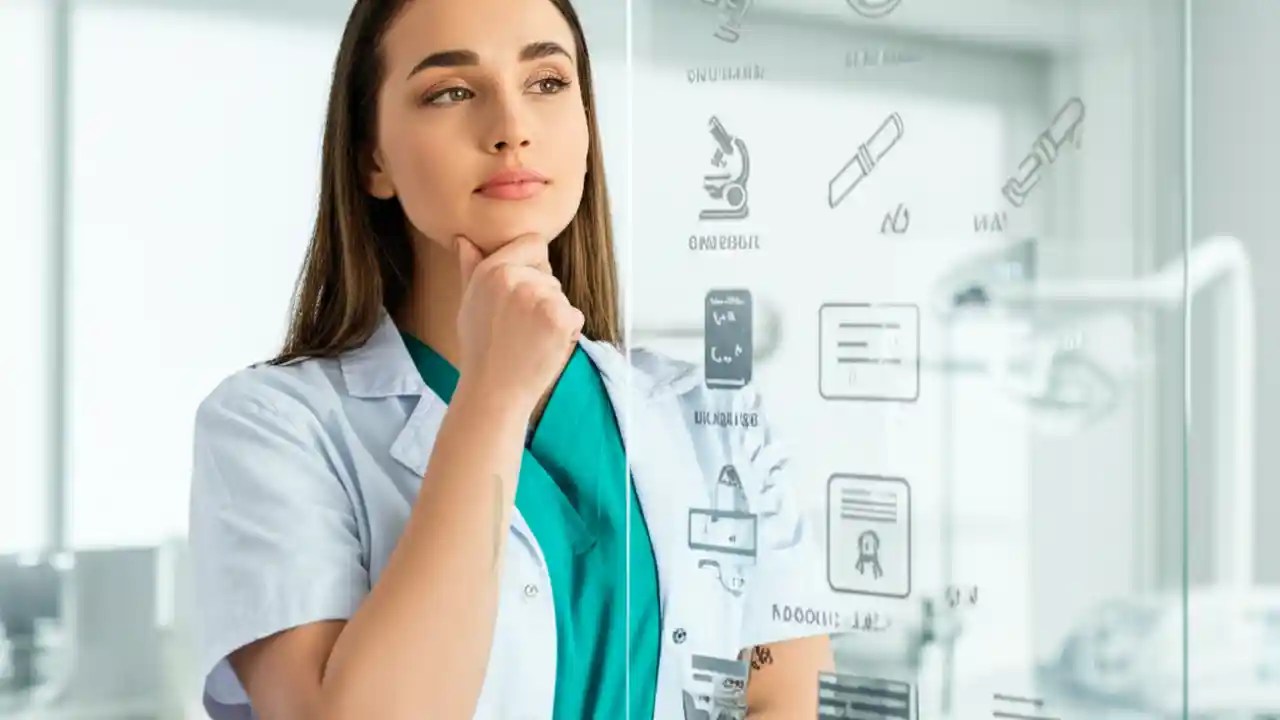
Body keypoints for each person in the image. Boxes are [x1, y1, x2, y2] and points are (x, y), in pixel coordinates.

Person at [187, 0, 833, 717]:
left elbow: (780, 691)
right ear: (373, 158)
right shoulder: (271, 428)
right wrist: (494, 394)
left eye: (548, 83)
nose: (511, 129)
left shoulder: (713, 416)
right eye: (452, 92)